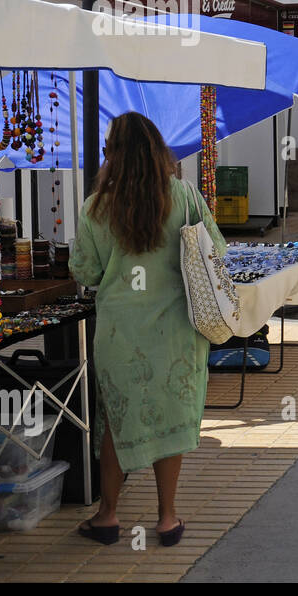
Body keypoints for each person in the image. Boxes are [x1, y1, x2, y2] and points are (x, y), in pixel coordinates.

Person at [69, 112, 224, 548]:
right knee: (170, 420)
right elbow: (218, 252)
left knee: (118, 423)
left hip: (120, 336)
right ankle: (168, 518)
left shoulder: (96, 207)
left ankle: (108, 515)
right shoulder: (185, 197)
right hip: (176, 333)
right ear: (157, 150)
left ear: (115, 156)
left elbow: (85, 269)